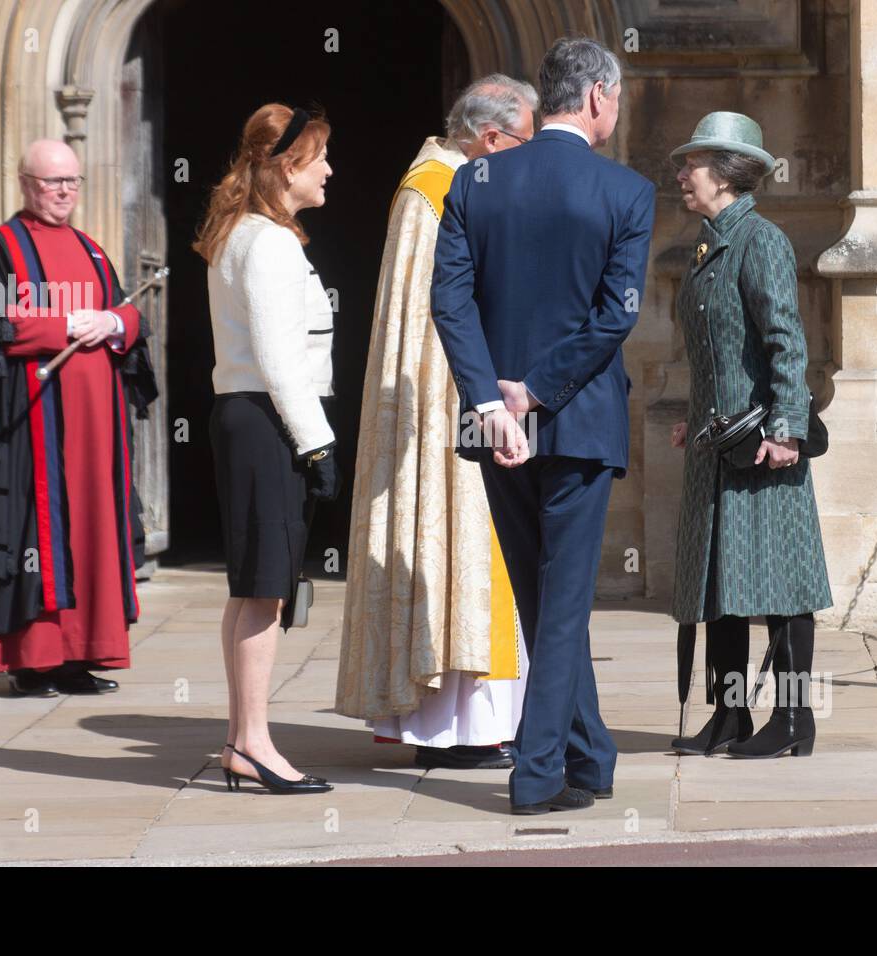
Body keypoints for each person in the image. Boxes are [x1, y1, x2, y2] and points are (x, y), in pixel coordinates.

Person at [432, 37, 655, 814]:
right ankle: (538, 773)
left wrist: (493, 402)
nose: (616, 111)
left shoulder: (476, 181)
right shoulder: (625, 191)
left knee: (541, 600)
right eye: (617, 99)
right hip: (576, 418)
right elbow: (614, 318)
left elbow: (449, 304)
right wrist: (534, 392)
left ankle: (591, 756)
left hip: (496, 425)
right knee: (560, 605)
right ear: (596, 97)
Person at [336, 75, 538, 772]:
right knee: (464, 551)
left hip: (477, 395)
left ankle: (475, 726)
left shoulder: (452, 179)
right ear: (491, 139)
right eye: (524, 143)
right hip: (453, 405)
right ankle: (458, 730)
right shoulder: (438, 190)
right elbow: (435, 325)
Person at [0, 139, 158, 697]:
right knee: (34, 539)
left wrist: (114, 324)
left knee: (91, 534)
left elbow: (126, 312)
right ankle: (33, 661)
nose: (64, 191)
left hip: (95, 434)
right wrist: (69, 324)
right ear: (26, 183)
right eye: (52, 182)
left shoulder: (92, 250)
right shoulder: (0, 250)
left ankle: (78, 657)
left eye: (72, 181)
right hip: (31, 429)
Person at [666, 111, 832, 760]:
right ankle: (730, 716)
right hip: (718, 446)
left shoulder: (760, 241)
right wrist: (694, 411)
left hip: (765, 445)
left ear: (728, 174)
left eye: (695, 162)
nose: (683, 172)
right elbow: (717, 351)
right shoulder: (710, 246)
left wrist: (788, 431)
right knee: (722, 586)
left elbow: (787, 344)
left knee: (783, 584)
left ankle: (794, 722)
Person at [196, 104, 337, 795]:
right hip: (269, 420)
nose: (329, 171)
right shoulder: (271, 244)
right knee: (264, 594)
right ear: (287, 167)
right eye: (319, 160)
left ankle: (240, 740)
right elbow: (283, 362)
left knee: (254, 590)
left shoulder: (240, 232)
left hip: (245, 416)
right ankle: (252, 743)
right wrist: (317, 447)